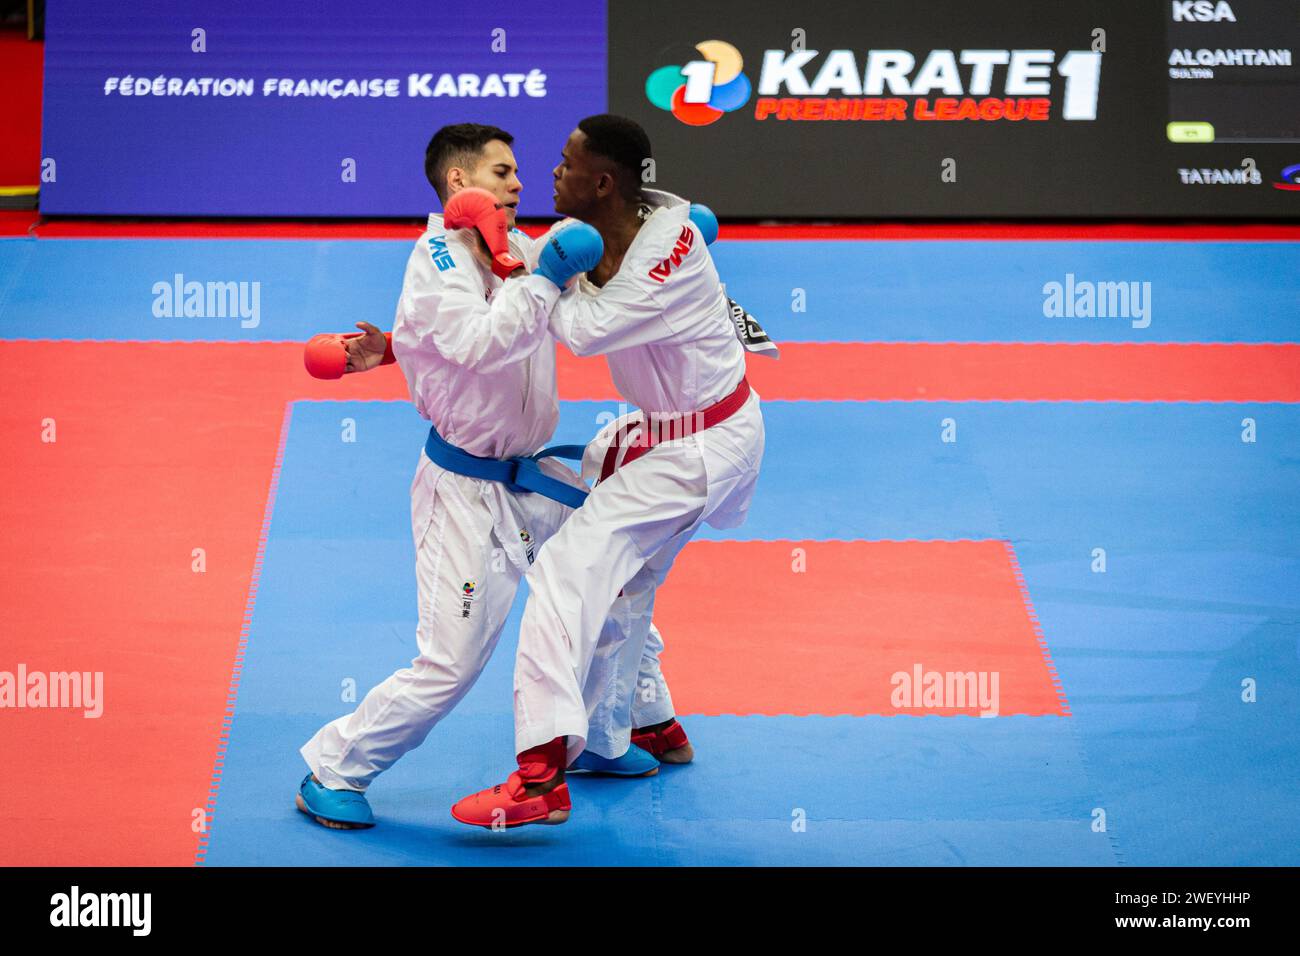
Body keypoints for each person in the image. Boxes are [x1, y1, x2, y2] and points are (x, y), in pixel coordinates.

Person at [295, 123, 688, 831]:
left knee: (621, 576)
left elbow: (577, 302)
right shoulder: (440, 259)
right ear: (459, 184)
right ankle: (335, 767)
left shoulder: (512, 249)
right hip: (466, 494)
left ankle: (612, 729)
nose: (519, 184)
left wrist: (664, 249)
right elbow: (479, 342)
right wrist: (540, 279)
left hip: (533, 479)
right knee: (451, 661)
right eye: (502, 172)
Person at [450, 115, 766, 829]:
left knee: (566, 574)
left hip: (698, 448)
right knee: (629, 577)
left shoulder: (665, 255)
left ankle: (538, 775)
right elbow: (578, 266)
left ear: (602, 182)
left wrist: (528, 268)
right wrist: (525, 258)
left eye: (565, 164)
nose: (549, 174)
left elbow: (585, 331)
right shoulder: (620, 226)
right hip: (678, 429)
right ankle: (642, 725)